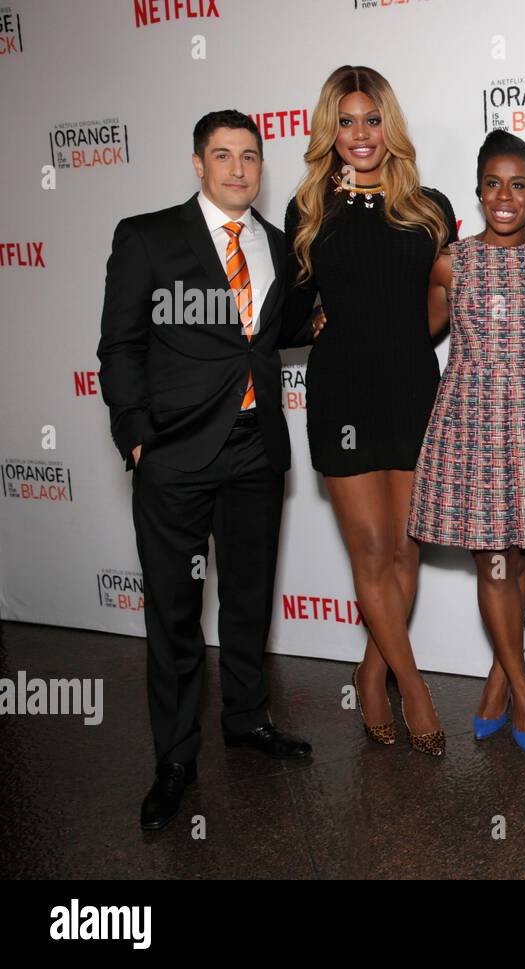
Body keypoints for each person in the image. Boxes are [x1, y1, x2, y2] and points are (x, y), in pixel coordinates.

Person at [97, 109, 314, 831]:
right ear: (198, 163)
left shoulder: (277, 245)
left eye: (249, 156)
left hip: (257, 450)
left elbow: (275, 333)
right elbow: (119, 345)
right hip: (176, 456)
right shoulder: (149, 236)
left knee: (248, 600)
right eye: (221, 156)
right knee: (175, 613)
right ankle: (176, 757)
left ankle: (246, 718)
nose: (236, 169)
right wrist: (136, 438)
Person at [283, 66, 457, 756]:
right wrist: (317, 315)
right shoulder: (310, 208)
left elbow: (442, 306)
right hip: (342, 392)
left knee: (408, 546)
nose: (361, 134)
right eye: (347, 121)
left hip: (413, 387)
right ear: (332, 130)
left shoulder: (428, 205)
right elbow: (287, 314)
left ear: (390, 125)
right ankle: (411, 689)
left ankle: (370, 668)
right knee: (372, 549)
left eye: (372, 119)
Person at [407, 130, 525, 754]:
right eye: (494, 184)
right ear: (477, 192)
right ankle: (524, 688)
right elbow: (416, 331)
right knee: (494, 559)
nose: (505, 196)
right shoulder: (452, 261)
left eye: (519, 185)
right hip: (472, 423)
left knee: (517, 557)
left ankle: (498, 681)